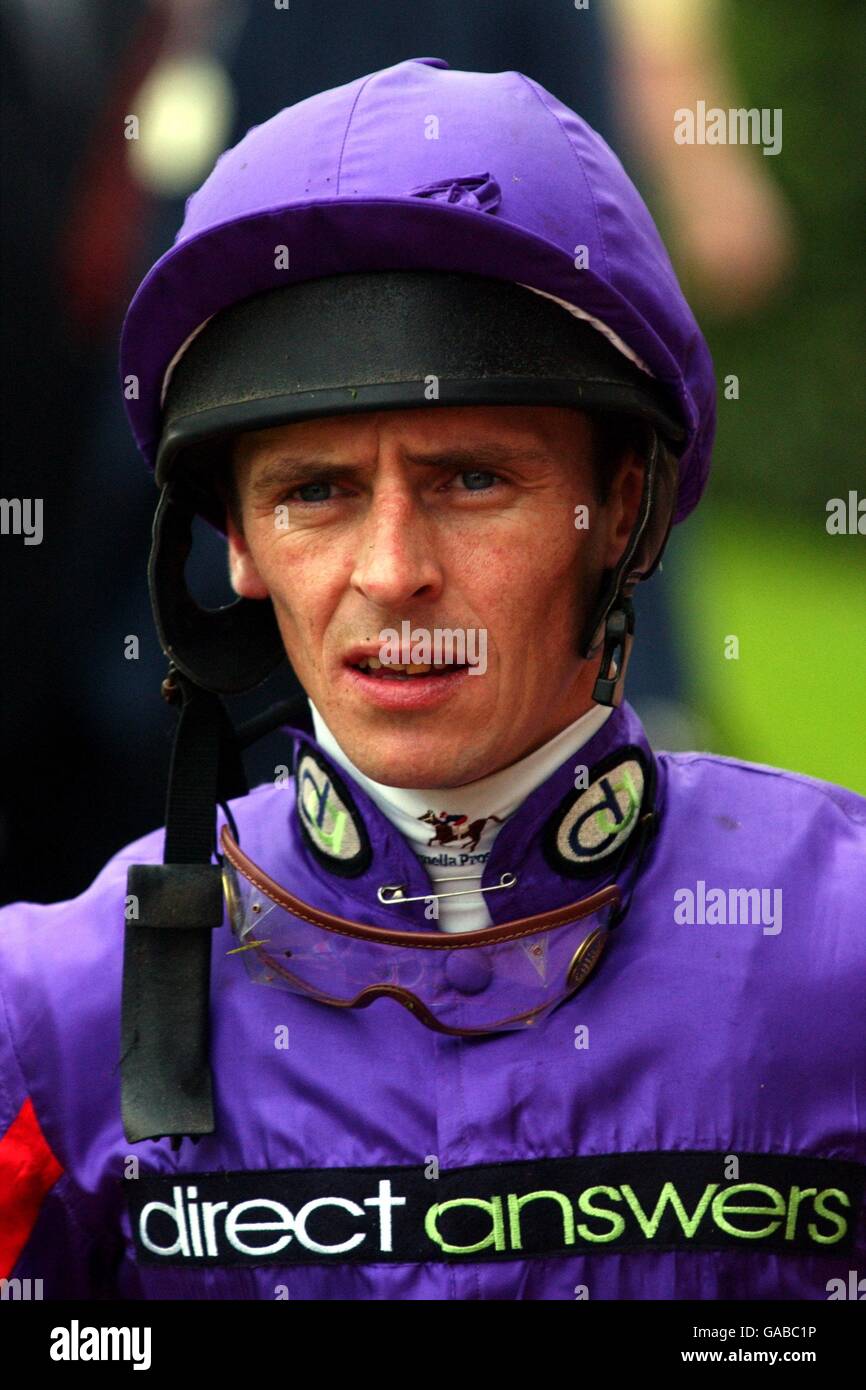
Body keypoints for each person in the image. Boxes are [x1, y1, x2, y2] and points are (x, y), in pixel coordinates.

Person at [1, 57, 863, 1302]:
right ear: (235, 544)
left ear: (619, 508)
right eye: (314, 493)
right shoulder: (55, 1012)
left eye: (471, 480)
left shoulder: (837, 945)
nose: (391, 572)